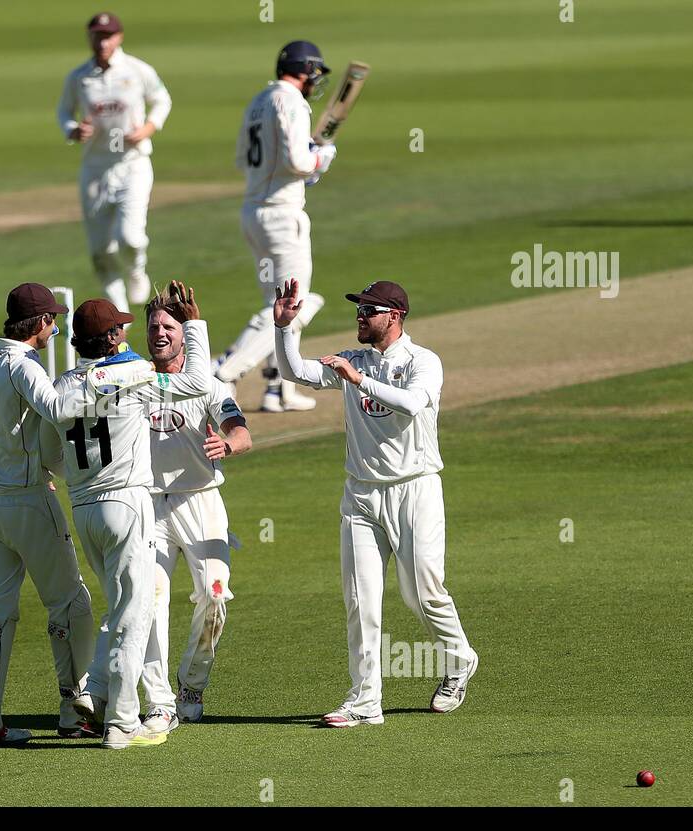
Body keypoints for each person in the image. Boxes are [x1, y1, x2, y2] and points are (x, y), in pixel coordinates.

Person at [272, 277, 479, 727]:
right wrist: (286, 328)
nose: (360, 316)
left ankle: (459, 659)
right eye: (359, 308)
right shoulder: (353, 359)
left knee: (422, 592)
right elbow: (296, 373)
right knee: (360, 599)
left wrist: (359, 379)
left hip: (416, 488)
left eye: (370, 309)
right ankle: (365, 699)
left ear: (396, 316)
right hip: (361, 494)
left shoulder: (422, 361)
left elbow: (411, 403)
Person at [41, 282, 210, 748]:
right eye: (121, 328)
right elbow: (195, 382)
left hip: (83, 508)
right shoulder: (135, 373)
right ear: (113, 338)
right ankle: (122, 722)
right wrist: (194, 325)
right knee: (135, 614)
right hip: (128, 503)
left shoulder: (62, 386)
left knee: (120, 606)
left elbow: (49, 455)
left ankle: (94, 691)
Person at [0, 283, 96, 748]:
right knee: (71, 604)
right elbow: (58, 408)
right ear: (39, 324)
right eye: (53, 320)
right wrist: (104, 380)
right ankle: (74, 709)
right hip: (25, 500)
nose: (57, 327)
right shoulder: (22, 366)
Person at [138, 294, 251, 731]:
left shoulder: (207, 384)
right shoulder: (136, 379)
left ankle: (191, 683)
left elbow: (239, 430)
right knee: (149, 600)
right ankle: (159, 700)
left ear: (186, 335)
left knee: (216, 596)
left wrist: (229, 444)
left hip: (201, 500)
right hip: (148, 504)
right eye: (154, 326)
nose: (160, 333)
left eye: (169, 326)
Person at [215, 40, 337, 413]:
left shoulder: (258, 101)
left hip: (253, 212)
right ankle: (224, 371)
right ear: (306, 71)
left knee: (277, 303)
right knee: (292, 306)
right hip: (282, 216)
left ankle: (277, 389)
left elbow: (245, 159)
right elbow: (300, 161)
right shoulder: (292, 102)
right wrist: (321, 159)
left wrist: (300, 173)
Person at [56, 11, 172, 312]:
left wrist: (148, 127)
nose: (102, 41)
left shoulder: (136, 70)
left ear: (119, 37)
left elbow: (162, 99)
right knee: (100, 250)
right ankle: (120, 311)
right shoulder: (80, 77)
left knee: (130, 237)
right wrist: (73, 129)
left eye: (107, 36)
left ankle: (136, 270)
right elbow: (64, 112)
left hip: (132, 162)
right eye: (96, 35)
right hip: (95, 168)